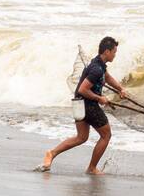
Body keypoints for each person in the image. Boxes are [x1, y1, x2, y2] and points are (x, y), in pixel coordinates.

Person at [40, 37, 127, 175]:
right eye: (114, 52)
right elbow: (83, 89)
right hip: (88, 105)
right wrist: (100, 98)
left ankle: (52, 153)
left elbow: (107, 77)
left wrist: (120, 88)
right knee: (106, 135)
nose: (115, 55)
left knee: (81, 137)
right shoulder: (96, 69)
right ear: (107, 51)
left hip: (79, 104)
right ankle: (92, 168)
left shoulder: (99, 64)